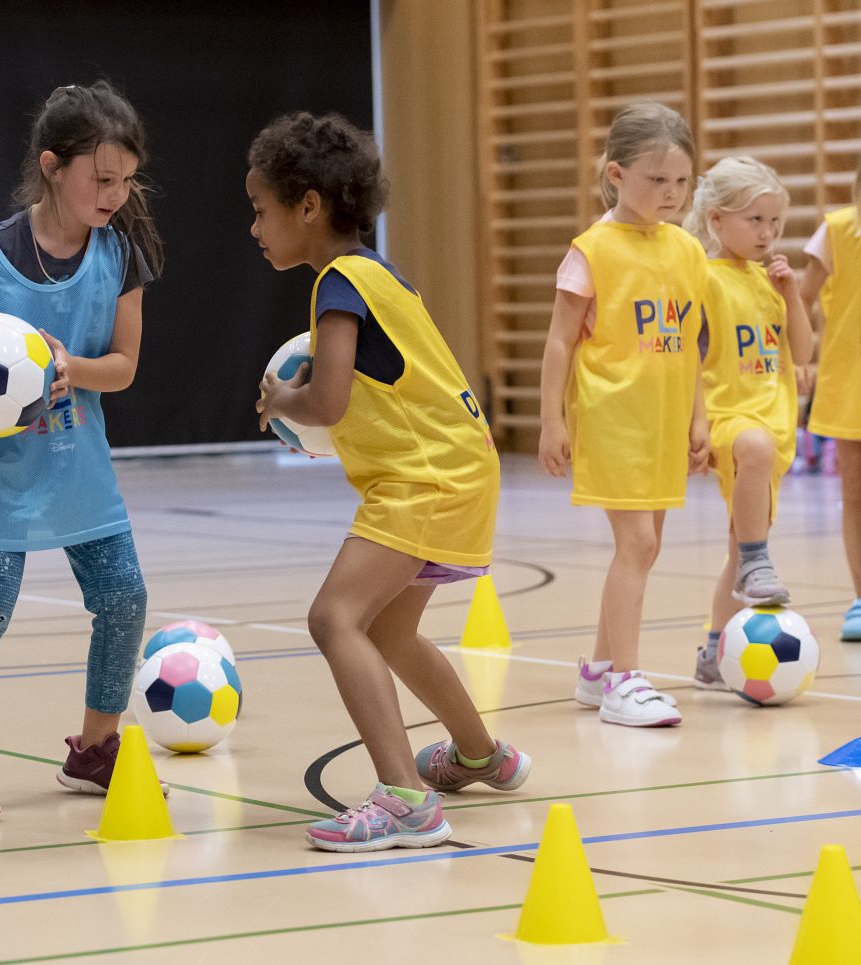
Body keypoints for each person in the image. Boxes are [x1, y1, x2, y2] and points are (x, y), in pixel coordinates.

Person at [248, 111, 530, 853]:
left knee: (333, 617)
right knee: (389, 630)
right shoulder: (379, 274)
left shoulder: (339, 284)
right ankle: (480, 755)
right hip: (461, 469)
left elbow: (329, 400)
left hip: (425, 477)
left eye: (260, 209)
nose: (254, 227)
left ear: (307, 205)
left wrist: (283, 402)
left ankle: (405, 800)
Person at [0, 81, 162, 822]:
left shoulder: (121, 254)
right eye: (101, 179)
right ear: (54, 165)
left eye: (126, 180)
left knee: (123, 596)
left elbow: (123, 365)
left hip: (81, 462)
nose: (116, 193)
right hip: (7, 470)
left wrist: (67, 368)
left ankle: (95, 747)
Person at [537, 102, 710, 727]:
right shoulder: (591, 249)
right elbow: (559, 340)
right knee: (635, 541)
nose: (671, 193)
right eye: (655, 180)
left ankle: (599, 670)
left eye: (682, 182)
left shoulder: (688, 250)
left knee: (650, 543)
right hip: (612, 417)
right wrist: (551, 420)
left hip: (664, 419)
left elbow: (691, 341)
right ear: (616, 175)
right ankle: (626, 684)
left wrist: (700, 418)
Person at [683, 156, 812, 685]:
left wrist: (792, 294)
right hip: (731, 419)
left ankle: (713, 653)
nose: (767, 232)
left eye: (774, 222)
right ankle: (760, 561)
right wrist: (693, 425)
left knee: (735, 547)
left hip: (775, 421)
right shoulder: (705, 277)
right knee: (754, 451)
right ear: (716, 220)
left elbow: (802, 352)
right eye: (755, 220)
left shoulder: (769, 280)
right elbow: (687, 352)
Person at [799, 159, 861, 641]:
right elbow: (803, 298)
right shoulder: (837, 230)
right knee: (855, 496)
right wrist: (801, 358)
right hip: (850, 381)